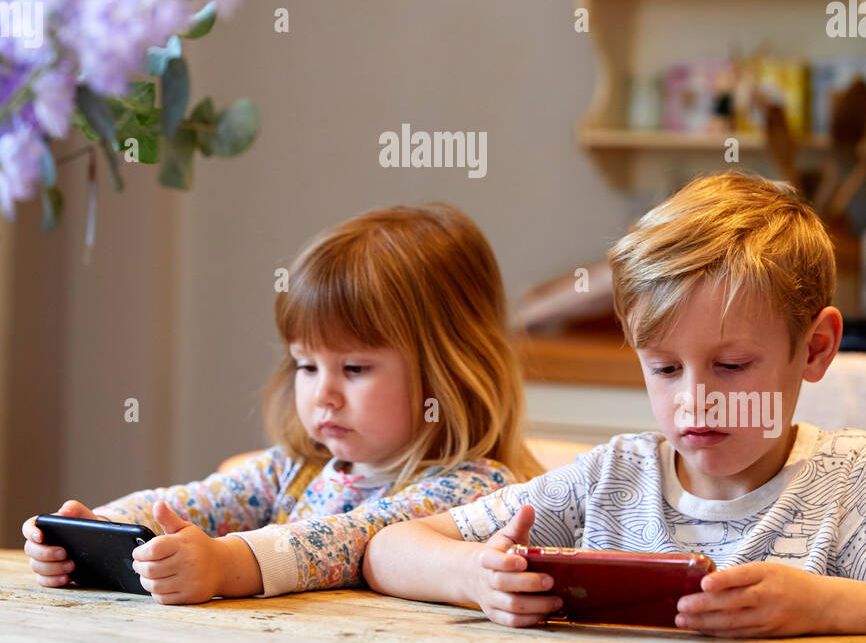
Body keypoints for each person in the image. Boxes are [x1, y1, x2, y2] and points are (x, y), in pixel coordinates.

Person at [364, 171, 866, 638]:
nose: (695, 402)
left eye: (731, 366)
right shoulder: (610, 480)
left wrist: (824, 605)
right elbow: (387, 549)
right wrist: (475, 578)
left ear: (815, 348)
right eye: (665, 369)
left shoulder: (849, 481)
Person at [23, 202, 541, 604]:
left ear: (450, 371)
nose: (323, 395)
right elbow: (196, 502)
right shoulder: (297, 470)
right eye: (307, 366)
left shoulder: (476, 491)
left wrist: (223, 565)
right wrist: (95, 531)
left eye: (355, 369)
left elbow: (345, 541)